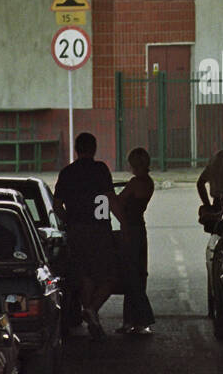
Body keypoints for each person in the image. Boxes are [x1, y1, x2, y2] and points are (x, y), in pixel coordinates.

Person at [54, 132, 116, 340]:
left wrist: (68, 222)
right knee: (108, 276)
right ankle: (92, 310)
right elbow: (108, 198)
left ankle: (91, 313)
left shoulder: (67, 173)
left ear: (76, 149)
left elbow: (57, 206)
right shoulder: (101, 170)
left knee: (85, 275)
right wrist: (123, 222)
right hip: (99, 229)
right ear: (94, 148)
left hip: (77, 231)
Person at [112, 147, 155, 336]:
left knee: (129, 275)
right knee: (138, 273)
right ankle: (133, 320)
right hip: (140, 229)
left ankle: (138, 318)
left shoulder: (134, 183)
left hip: (129, 230)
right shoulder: (149, 183)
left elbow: (119, 202)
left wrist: (108, 195)